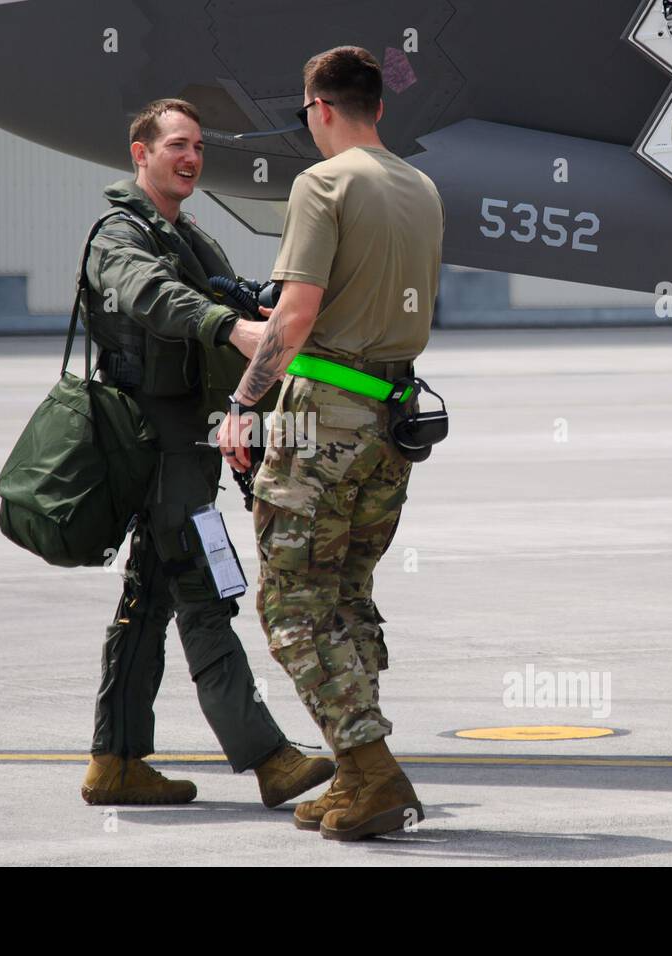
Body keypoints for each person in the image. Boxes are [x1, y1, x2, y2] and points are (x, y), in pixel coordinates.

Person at [79, 98, 335, 808]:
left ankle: (116, 761)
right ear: (141, 153)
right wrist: (230, 327)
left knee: (151, 592)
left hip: (190, 440)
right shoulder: (121, 236)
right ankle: (268, 759)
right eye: (176, 147)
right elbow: (149, 296)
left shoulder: (188, 235)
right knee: (201, 588)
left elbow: (232, 310)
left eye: (197, 149)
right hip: (156, 446)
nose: (191, 159)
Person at [215, 49, 445, 839]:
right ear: (376, 106)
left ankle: (372, 773)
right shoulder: (421, 185)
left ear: (319, 107)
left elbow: (297, 315)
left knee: (291, 602)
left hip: (326, 420)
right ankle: (355, 776)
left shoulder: (324, 183)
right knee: (345, 593)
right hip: (393, 415)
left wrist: (244, 405)